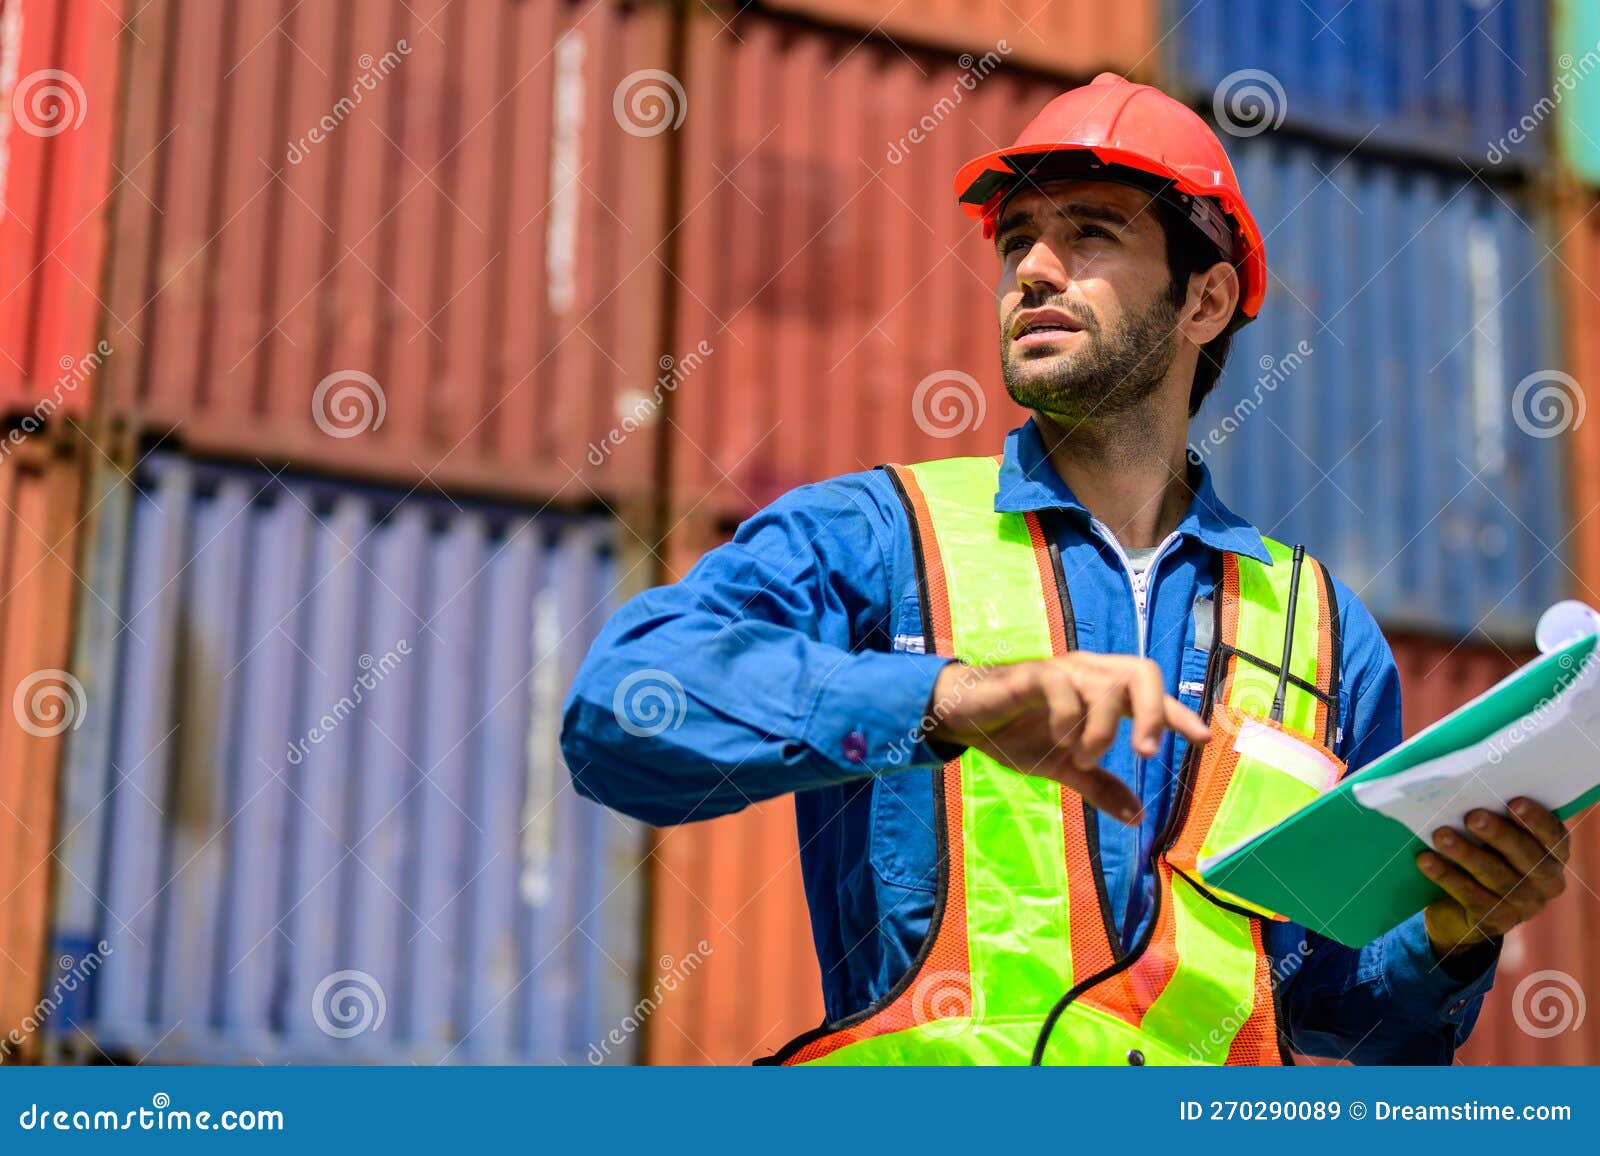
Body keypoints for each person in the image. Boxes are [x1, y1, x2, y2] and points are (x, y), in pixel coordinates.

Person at [561, 75, 1570, 1065]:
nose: (1033, 270)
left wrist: (1455, 931)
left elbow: (1331, 1012)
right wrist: (948, 699)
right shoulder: (876, 537)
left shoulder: (1319, 629)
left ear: (1205, 299)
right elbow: (616, 713)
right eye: (1014, 242)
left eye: (1089, 232)